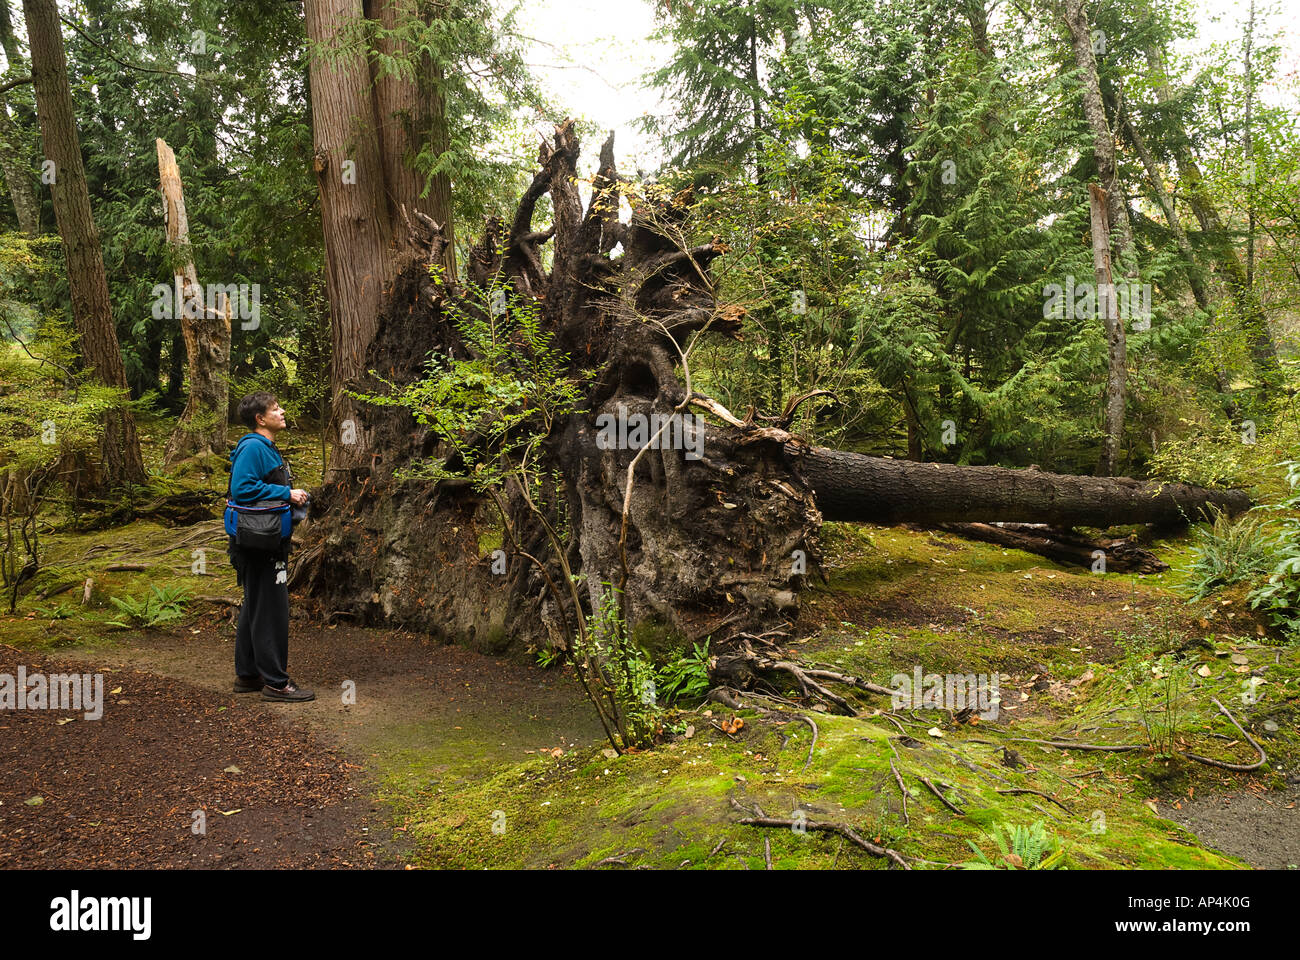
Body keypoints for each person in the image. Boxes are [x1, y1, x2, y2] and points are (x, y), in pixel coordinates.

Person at [226, 392, 315, 702]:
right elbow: (242, 488)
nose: (282, 411)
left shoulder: (265, 447)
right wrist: (286, 493)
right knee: (272, 610)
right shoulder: (253, 447)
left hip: (264, 540)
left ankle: (248, 674)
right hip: (257, 543)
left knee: (256, 604)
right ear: (260, 419)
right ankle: (276, 682)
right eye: (276, 409)